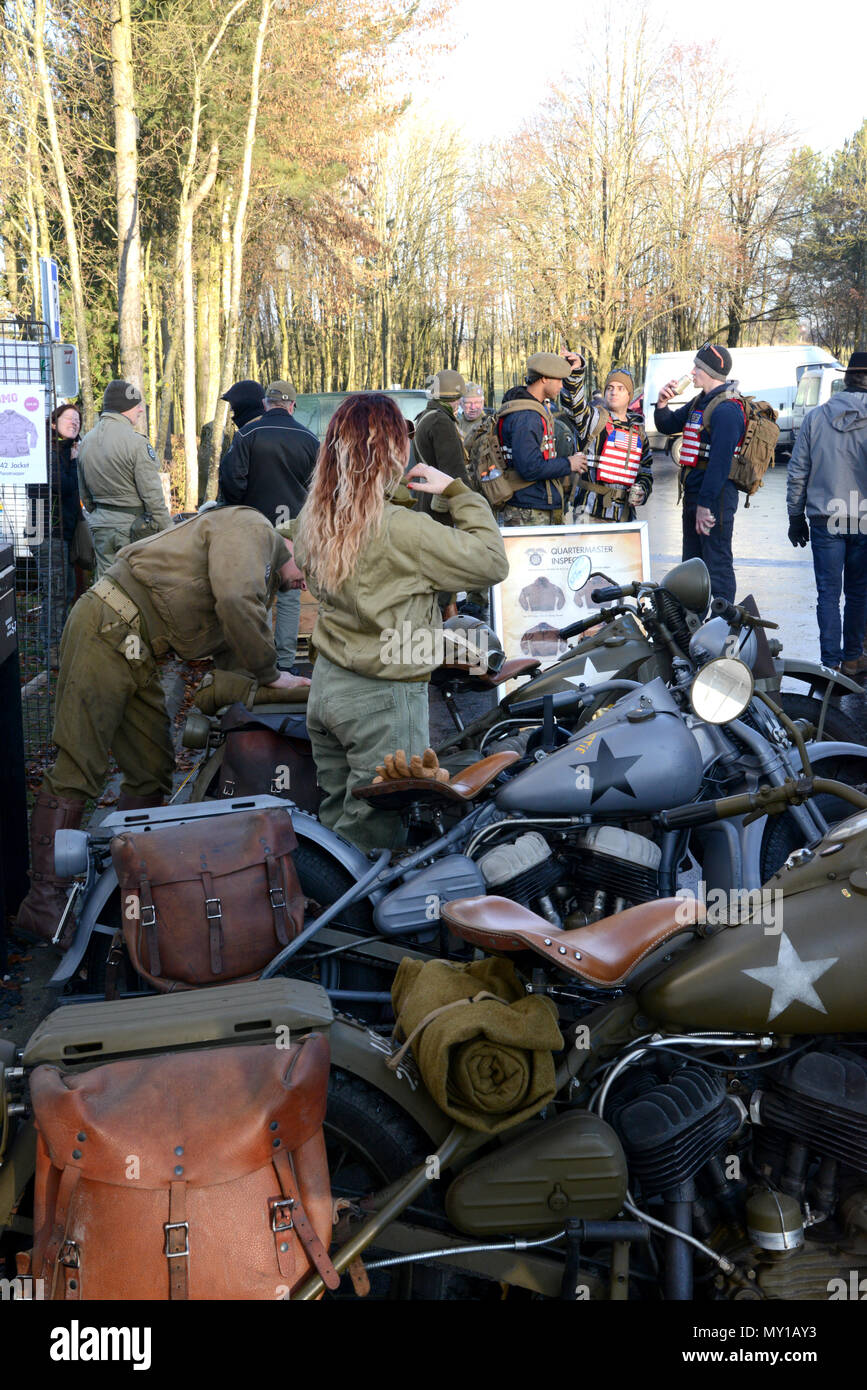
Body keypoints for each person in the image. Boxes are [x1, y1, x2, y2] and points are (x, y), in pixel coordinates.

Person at [14, 506, 309, 946]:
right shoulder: (253, 529)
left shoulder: (259, 578)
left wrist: (290, 689)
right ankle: (44, 905)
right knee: (80, 766)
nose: (308, 586)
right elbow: (233, 601)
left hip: (138, 649)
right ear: (301, 545)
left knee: (152, 766)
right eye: (312, 571)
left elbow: (234, 663)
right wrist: (271, 674)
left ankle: (125, 885)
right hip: (107, 625)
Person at [293, 393, 508, 851]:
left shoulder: (314, 518)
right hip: (383, 699)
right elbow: (492, 562)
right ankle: (355, 921)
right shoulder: (400, 530)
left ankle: (329, 905)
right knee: (379, 840)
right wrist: (456, 491)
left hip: (327, 686)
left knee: (336, 821)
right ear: (392, 451)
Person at [219, 380, 318, 671]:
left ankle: (260, 663)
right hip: (293, 529)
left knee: (257, 595)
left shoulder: (247, 435)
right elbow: (320, 489)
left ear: (265, 404)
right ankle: (286, 661)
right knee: (289, 595)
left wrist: (245, 506)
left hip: (255, 527)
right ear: (292, 405)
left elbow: (231, 482)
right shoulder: (310, 440)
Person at [786, 350, 867, 676]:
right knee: (859, 593)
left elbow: (797, 472)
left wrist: (795, 517)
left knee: (828, 595)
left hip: (824, 518)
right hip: (862, 516)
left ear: (846, 379)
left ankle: (830, 663)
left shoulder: (816, 417)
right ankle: (852, 659)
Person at [654, 343, 745, 603]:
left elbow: (720, 462)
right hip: (695, 495)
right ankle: (691, 630)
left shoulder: (727, 409)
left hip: (715, 499)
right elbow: (668, 424)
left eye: (697, 367)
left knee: (716, 564)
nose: (692, 372)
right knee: (692, 567)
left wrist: (706, 505)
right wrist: (662, 404)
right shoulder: (699, 402)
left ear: (710, 372)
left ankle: (724, 626)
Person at [77, 380, 172, 579]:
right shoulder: (137, 443)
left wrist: (103, 514)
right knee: (134, 586)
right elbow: (153, 497)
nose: (140, 410)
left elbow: (85, 495)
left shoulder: (86, 441)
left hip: (101, 525)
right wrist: (169, 531)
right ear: (125, 408)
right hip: (132, 529)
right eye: (137, 405)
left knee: (105, 586)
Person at [497, 351, 590, 526]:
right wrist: (569, 463)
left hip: (531, 505)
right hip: (527, 510)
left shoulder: (527, 408)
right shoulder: (527, 417)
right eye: (559, 380)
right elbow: (529, 467)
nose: (561, 386)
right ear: (545, 378)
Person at [28, 403, 82, 660]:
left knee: (65, 589)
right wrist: (73, 463)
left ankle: (59, 645)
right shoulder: (47, 452)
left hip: (60, 533)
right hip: (47, 532)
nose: (74, 422)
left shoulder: (62, 451)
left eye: (77, 419)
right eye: (69, 418)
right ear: (53, 424)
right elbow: (64, 486)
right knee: (57, 591)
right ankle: (51, 651)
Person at [572, 367, 653, 524]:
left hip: (624, 516)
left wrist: (642, 489)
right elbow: (574, 405)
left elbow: (646, 471)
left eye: (620, 388)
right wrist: (575, 373)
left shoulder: (638, 430)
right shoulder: (593, 420)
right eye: (610, 388)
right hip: (589, 514)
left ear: (629, 395)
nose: (613, 392)